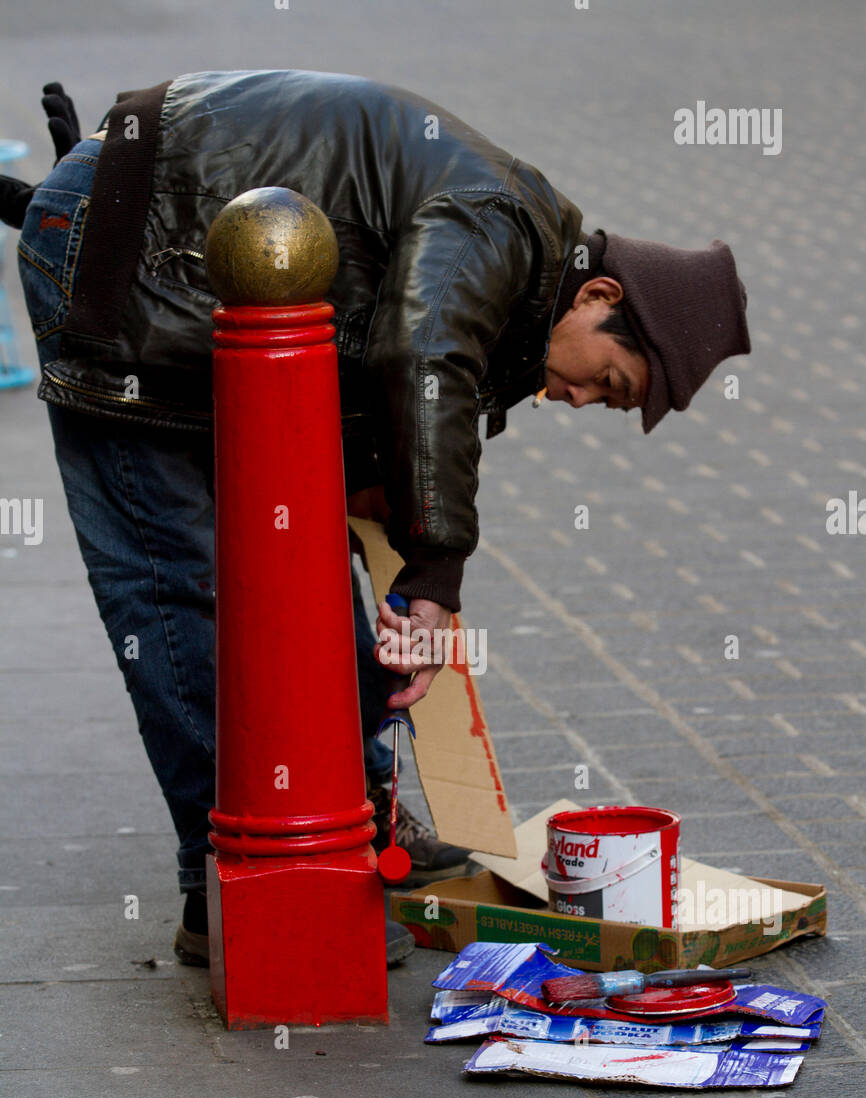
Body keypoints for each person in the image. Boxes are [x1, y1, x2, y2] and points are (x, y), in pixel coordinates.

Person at [2, 72, 750, 965]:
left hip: (179, 245)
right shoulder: (504, 223)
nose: (582, 399)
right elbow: (422, 351)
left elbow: (393, 353)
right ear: (602, 300)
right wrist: (434, 575)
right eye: (607, 381)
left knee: (300, 555)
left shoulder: (524, 279)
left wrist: (372, 496)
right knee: (174, 583)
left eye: (605, 402)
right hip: (121, 245)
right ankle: (233, 886)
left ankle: (358, 823)